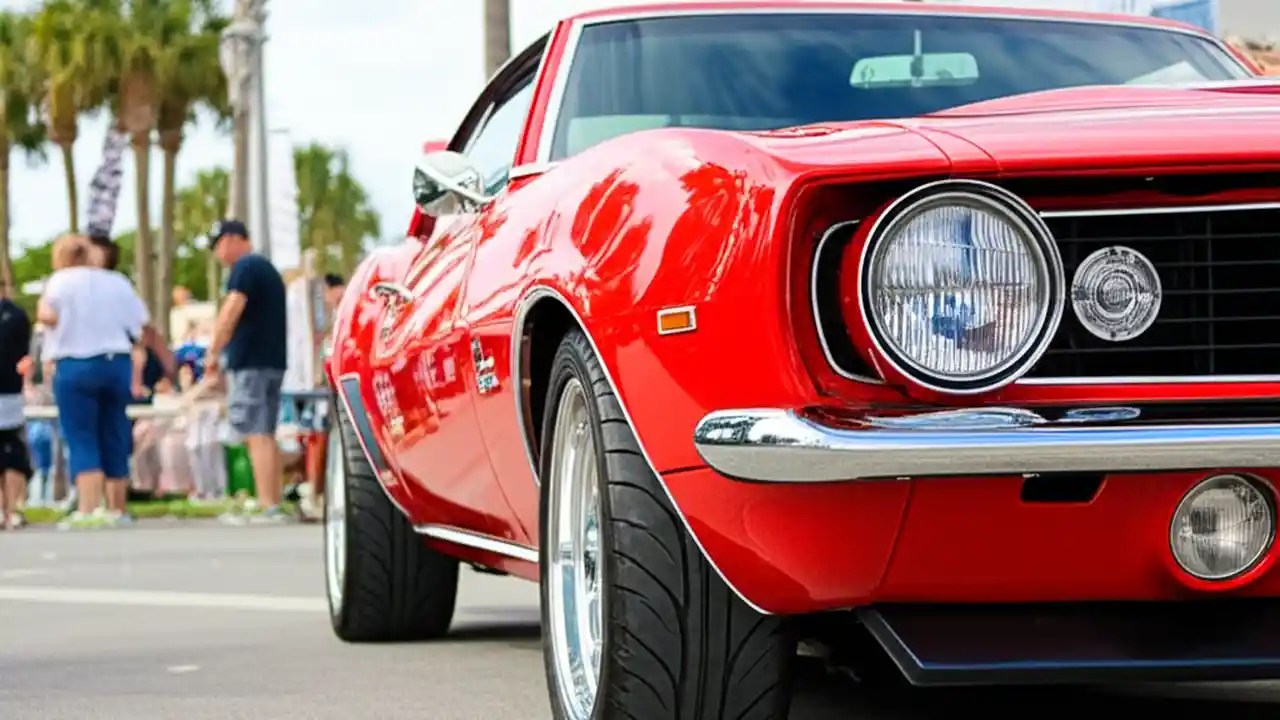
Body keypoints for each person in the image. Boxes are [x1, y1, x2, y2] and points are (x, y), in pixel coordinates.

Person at [39, 235, 148, 529]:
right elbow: (139, 324)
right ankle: (117, 508)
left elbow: (47, 316)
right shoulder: (117, 282)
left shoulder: (60, 281)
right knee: (113, 431)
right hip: (116, 361)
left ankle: (88, 508)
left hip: (75, 362)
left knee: (81, 434)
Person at [204, 219, 291, 523]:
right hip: (271, 361)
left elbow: (231, 309)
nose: (217, 253)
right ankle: (271, 499)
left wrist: (213, 350)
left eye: (217, 245)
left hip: (251, 362)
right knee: (264, 432)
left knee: (255, 432)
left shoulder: (245, 267)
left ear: (231, 239)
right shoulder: (266, 268)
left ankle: (267, 503)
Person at [0, 276, 33, 530]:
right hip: (10, 390)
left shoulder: (15, 316)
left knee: (11, 449)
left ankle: (11, 507)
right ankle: (7, 509)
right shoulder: (16, 316)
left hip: (9, 391)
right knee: (9, 449)